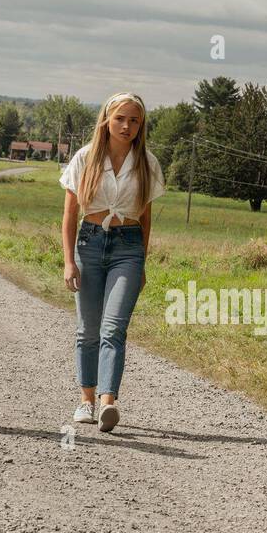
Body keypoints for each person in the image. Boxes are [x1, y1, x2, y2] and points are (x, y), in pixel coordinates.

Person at [59, 92, 165, 432]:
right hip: (89, 243)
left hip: (128, 248)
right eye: (121, 118)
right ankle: (86, 401)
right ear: (107, 120)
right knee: (88, 330)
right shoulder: (85, 158)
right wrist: (68, 261)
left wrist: (142, 261)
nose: (127, 126)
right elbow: (70, 214)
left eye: (134, 120)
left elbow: (146, 218)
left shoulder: (147, 163)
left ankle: (108, 403)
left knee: (113, 327)